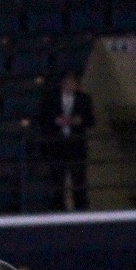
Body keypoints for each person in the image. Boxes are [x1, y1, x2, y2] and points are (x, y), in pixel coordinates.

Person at [39, 72, 94, 210]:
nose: (70, 86)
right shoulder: (51, 99)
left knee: (79, 180)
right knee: (58, 180)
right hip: (57, 146)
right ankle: (59, 209)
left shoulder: (84, 99)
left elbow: (91, 120)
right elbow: (42, 118)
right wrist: (56, 121)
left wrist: (78, 121)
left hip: (77, 146)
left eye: (73, 83)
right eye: (67, 83)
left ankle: (81, 209)